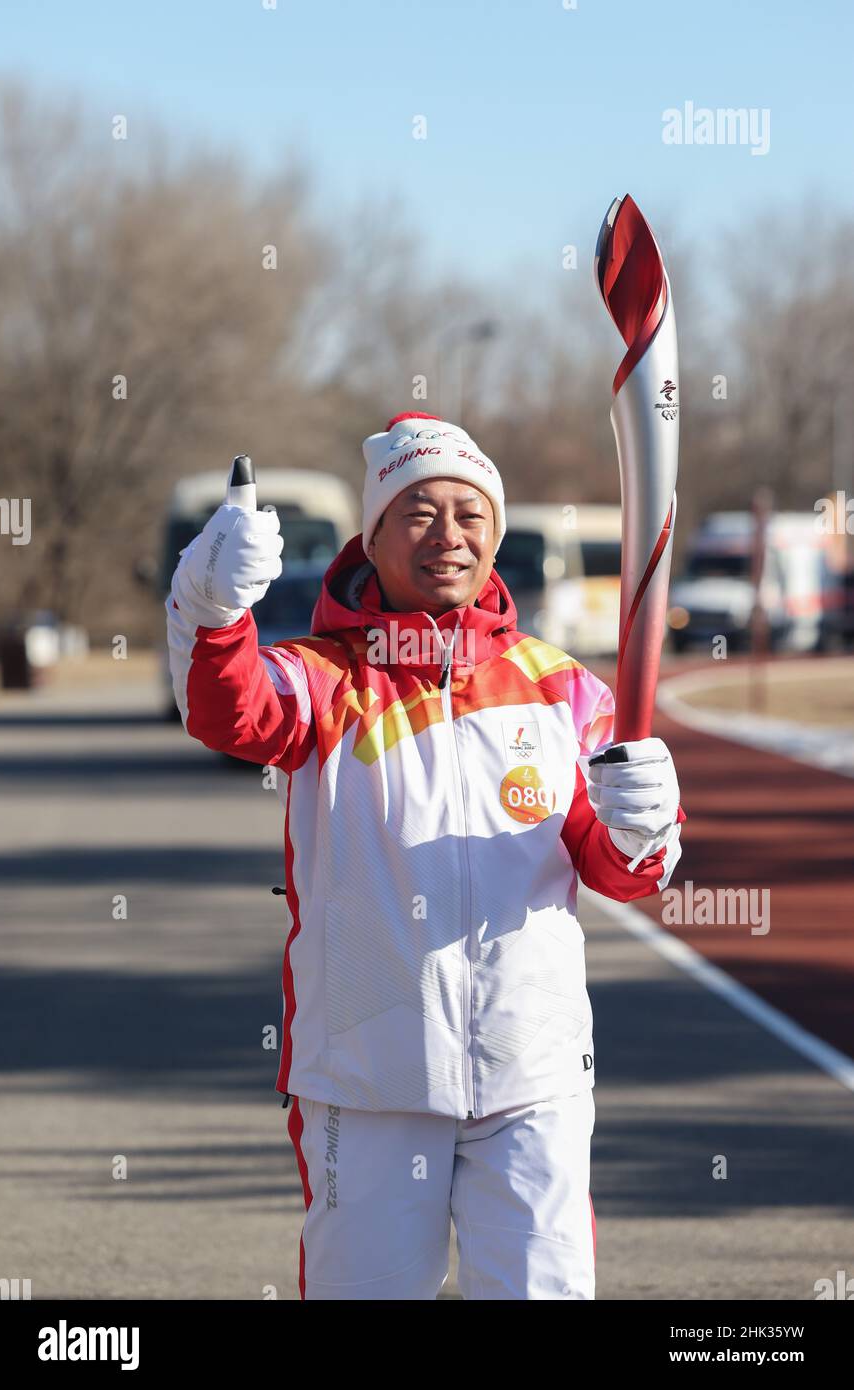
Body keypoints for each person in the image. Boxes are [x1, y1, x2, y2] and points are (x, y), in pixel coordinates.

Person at [166, 411, 686, 1300]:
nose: (449, 535)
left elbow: (618, 872)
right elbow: (232, 713)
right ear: (373, 536)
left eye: (471, 514)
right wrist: (210, 612)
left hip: (534, 1077)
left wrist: (647, 832)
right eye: (418, 513)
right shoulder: (325, 677)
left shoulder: (561, 689)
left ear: (495, 534)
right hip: (367, 1084)